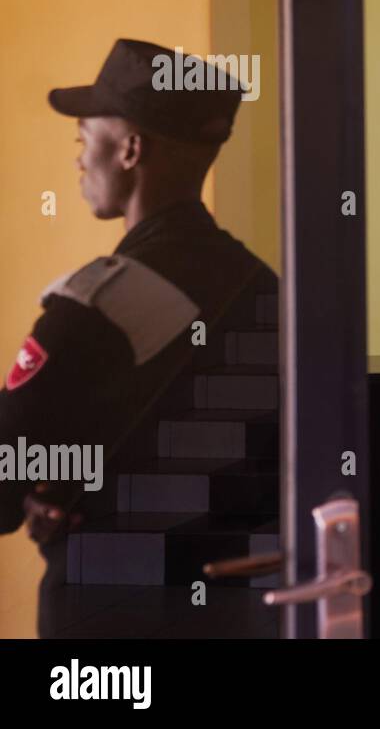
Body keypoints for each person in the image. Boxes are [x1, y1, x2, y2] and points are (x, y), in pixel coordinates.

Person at [0, 38, 278, 637]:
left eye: (83, 140)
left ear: (129, 148)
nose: (77, 160)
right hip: (243, 611)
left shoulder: (98, 302)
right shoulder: (267, 289)